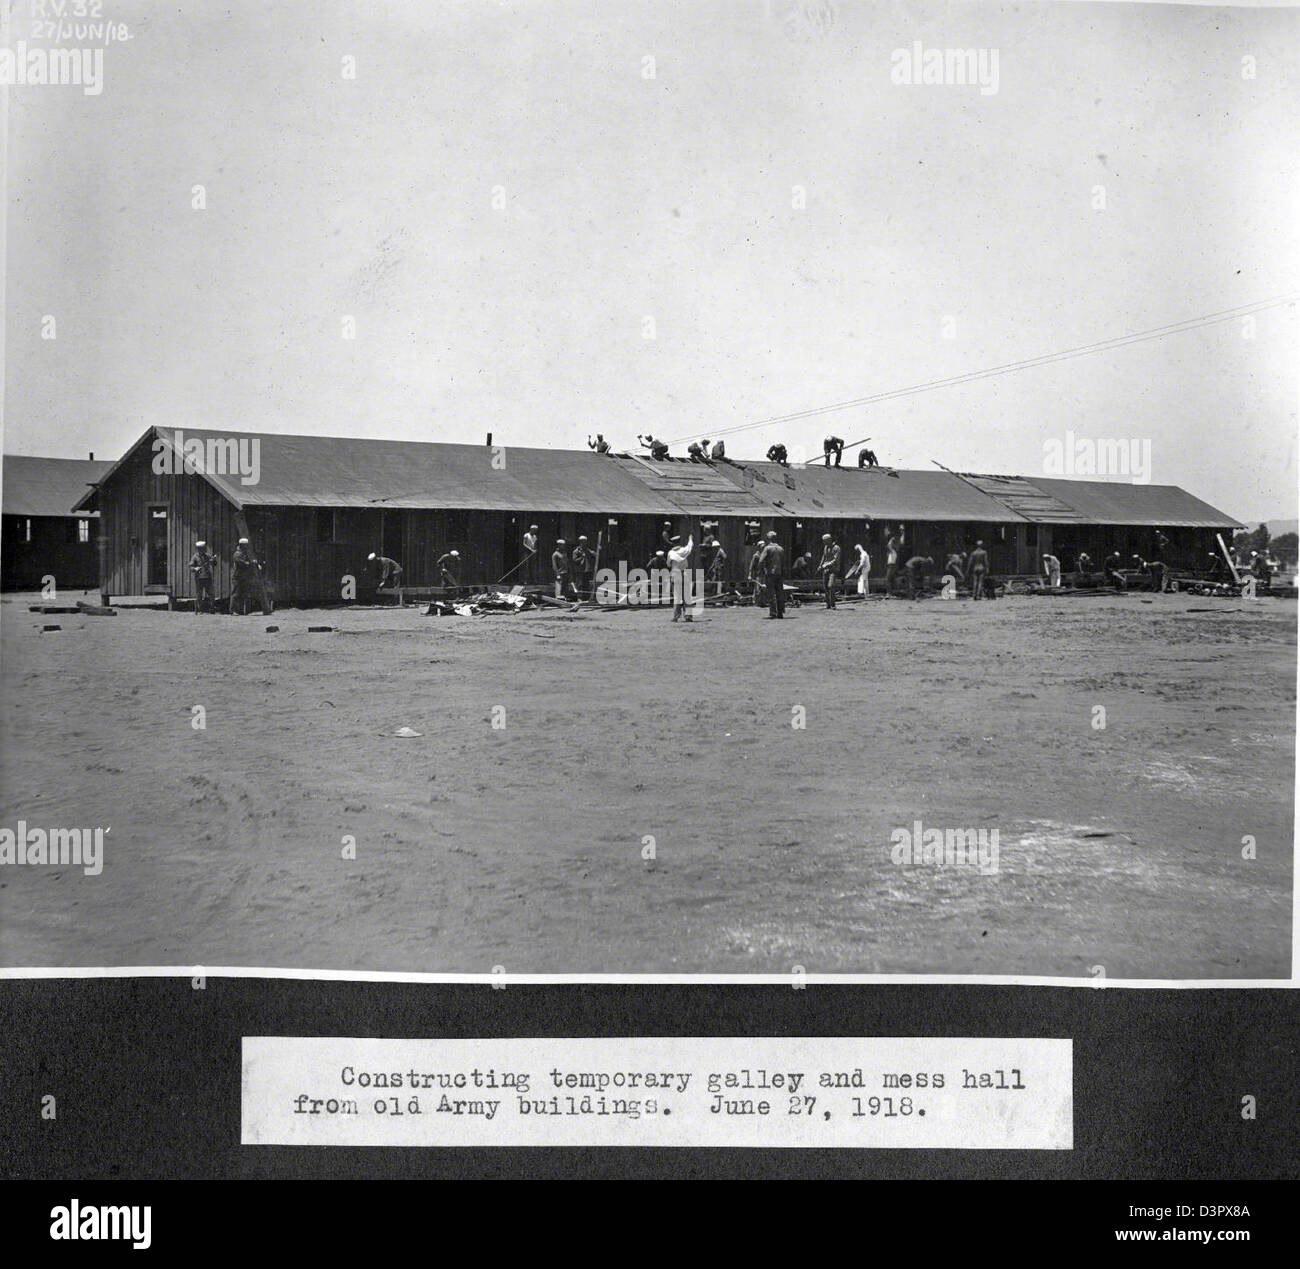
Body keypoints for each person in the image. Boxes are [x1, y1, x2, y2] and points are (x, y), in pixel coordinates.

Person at [758, 530, 786, 618]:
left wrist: (762, 570)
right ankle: (780, 612)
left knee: (771, 593)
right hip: (779, 573)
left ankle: (773, 612)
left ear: (769, 538)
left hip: (770, 573)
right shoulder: (781, 549)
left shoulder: (767, 548)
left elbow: (761, 561)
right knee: (779, 593)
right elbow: (784, 563)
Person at [667, 533, 695, 622]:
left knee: (677, 595)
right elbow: (690, 546)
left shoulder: (671, 553)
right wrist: (690, 538)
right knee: (687, 595)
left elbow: (668, 564)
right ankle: (688, 616)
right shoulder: (684, 550)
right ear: (679, 542)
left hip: (675, 573)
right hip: (685, 573)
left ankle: (676, 616)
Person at [230, 538, 261, 615]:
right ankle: (233, 610)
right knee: (236, 593)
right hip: (237, 577)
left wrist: (254, 563)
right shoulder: (237, 554)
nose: (247, 547)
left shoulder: (244, 553)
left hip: (243, 577)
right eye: (245, 545)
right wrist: (252, 563)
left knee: (242, 594)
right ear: (242, 545)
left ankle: (240, 610)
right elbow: (243, 563)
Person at [189, 539, 217, 614]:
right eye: (201, 548)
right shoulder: (195, 557)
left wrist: (213, 560)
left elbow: (214, 564)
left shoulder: (207, 556)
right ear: (198, 549)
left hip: (208, 577)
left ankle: (212, 609)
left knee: (211, 593)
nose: (203, 550)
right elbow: (191, 567)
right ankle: (200, 609)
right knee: (199, 594)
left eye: (203, 548)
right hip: (199, 578)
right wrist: (195, 568)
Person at [818, 534, 841, 607]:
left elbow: (836, 560)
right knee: (825, 586)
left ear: (829, 540)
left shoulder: (836, 548)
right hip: (825, 569)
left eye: (825, 541)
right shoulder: (825, 547)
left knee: (830, 586)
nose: (824, 543)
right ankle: (828, 604)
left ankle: (833, 604)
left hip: (833, 569)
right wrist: (820, 565)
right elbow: (824, 556)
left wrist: (826, 565)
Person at [884, 526, 904, 595]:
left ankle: (889, 593)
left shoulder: (893, 552)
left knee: (888, 579)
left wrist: (891, 540)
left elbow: (888, 545)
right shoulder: (892, 552)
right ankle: (891, 592)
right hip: (892, 566)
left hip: (891, 566)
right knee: (891, 579)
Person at [748, 541, 766, 607]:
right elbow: (751, 565)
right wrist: (749, 575)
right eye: (762, 546)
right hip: (758, 574)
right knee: (757, 589)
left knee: (764, 589)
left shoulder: (765, 555)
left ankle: (762, 602)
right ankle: (756, 602)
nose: (763, 548)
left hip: (764, 574)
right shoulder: (756, 556)